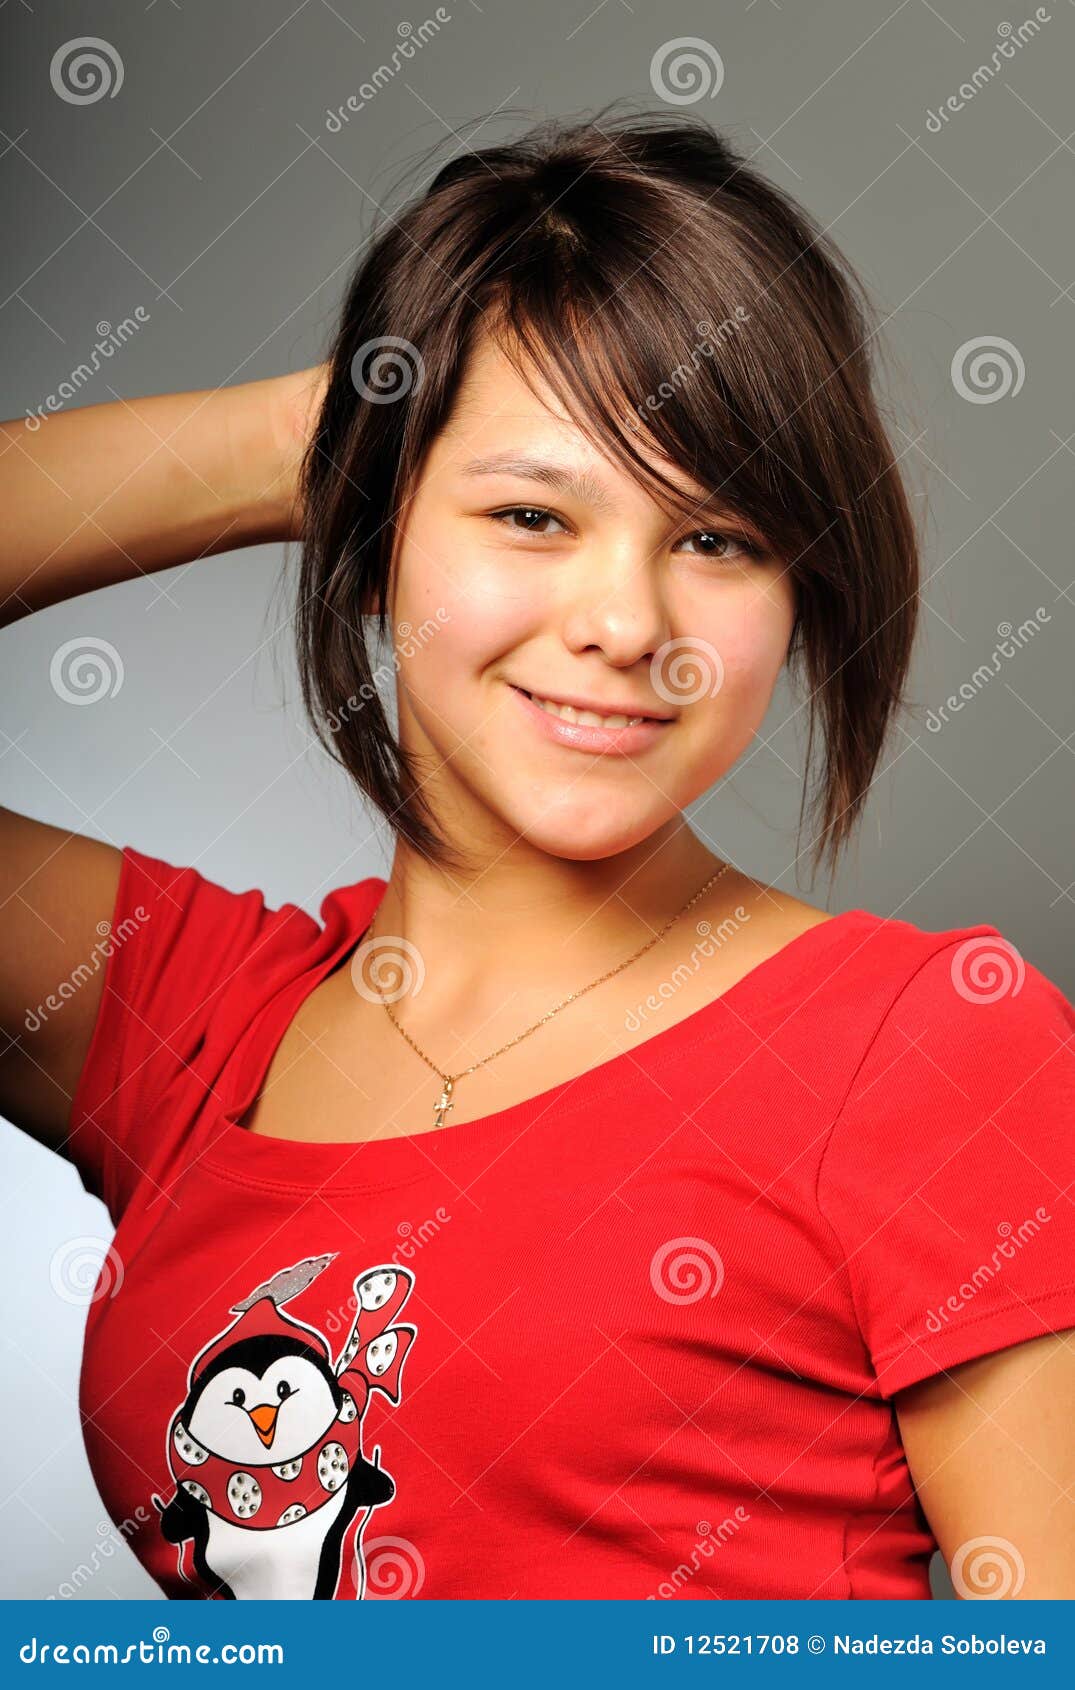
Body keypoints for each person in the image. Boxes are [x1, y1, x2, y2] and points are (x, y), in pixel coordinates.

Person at [2, 110, 1073, 1602]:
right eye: (530, 512)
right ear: (372, 531)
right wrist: (327, 431)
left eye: (717, 538)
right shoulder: (188, 1020)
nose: (627, 624)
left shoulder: (927, 1045)